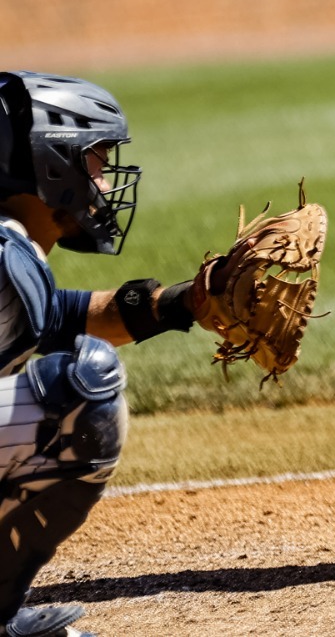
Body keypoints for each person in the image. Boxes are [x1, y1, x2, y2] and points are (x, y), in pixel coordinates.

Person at [0, 72, 234, 637]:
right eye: (96, 161)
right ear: (51, 164)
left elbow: (66, 315)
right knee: (81, 395)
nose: (104, 182)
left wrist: (183, 302)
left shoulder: (12, 252)